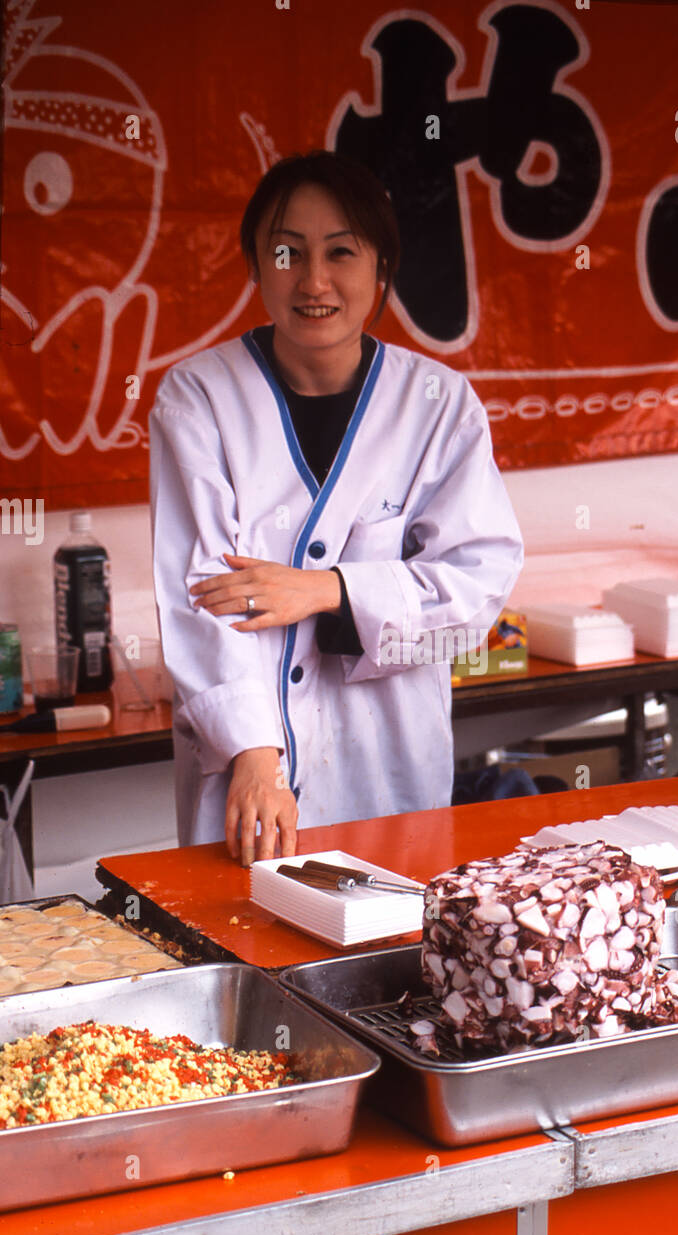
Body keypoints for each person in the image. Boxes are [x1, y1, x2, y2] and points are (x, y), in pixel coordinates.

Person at [149, 151, 523, 866]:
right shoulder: (198, 398)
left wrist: (328, 590)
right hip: (244, 775)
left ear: (380, 267)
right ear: (255, 266)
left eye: (341, 253)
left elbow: (477, 585)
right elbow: (199, 592)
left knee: (388, 958)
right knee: (244, 954)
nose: (313, 282)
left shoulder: (438, 405)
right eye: (286, 252)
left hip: (387, 764)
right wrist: (255, 756)